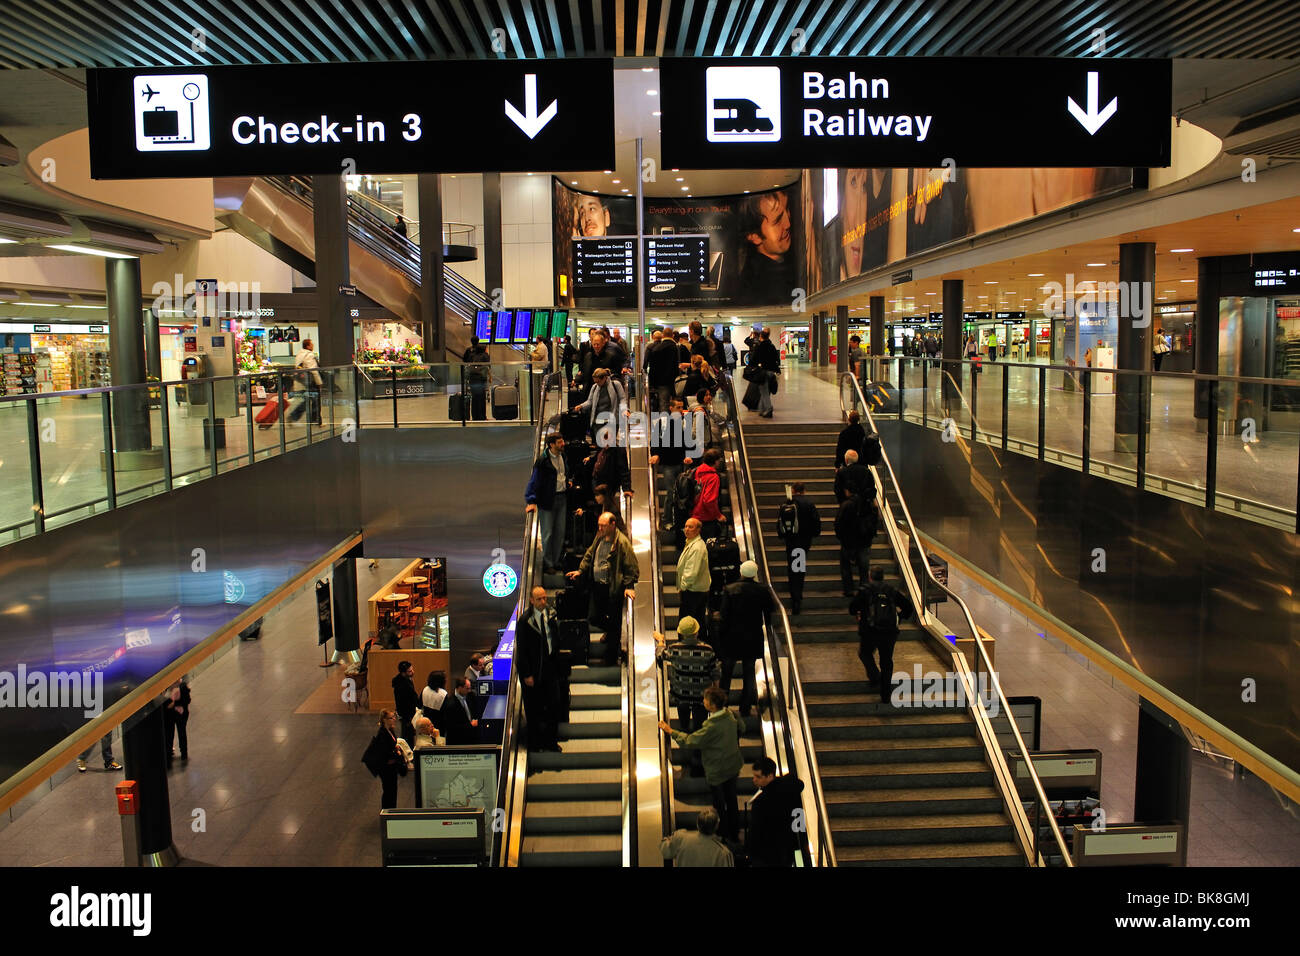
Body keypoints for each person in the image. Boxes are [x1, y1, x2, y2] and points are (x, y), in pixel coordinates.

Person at [659, 686, 743, 841]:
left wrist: (671, 731)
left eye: (705, 699)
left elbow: (691, 741)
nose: (702, 700)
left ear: (711, 705)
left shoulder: (711, 726)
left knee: (719, 803)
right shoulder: (730, 715)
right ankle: (735, 830)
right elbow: (742, 728)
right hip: (733, 764)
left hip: (717, 770)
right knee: (732, 799)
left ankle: (723, 833)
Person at [567, 512, 639, 666]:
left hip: (612, 588)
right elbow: (589, 554)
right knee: (594, 617)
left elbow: (631, 565)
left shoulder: (622, 543)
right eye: (599, 525)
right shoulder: (599, 537)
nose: (600, 528)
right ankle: (612, 632)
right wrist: (581, 570)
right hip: (597, 586)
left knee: (613, 621)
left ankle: (611, 656)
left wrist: (629, 586)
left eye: (603, 525)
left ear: (613, 525)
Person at [717, 561, 773, 719]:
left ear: (741, 572)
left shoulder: (730, 589)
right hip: (753, 637)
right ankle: (745, 708)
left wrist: (720, 636)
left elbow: (724, 615)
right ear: (755, 573)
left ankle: (722, 706)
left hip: (732, 637)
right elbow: (769, 613)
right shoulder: (762, 590)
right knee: (749, 674)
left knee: (726, 673)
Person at [849, 566, 915, 702]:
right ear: (882, 576)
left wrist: (861, 612)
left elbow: (852, 608)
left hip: (870, 631)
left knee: (865, 653)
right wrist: (898, 617)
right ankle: (885, 694)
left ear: (870, 576)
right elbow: (908, 608)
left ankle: (874, 677)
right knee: (886, 662)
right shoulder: (891, 591)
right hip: (889, 632)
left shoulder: (865, 590)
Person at [516, 586, 566, 753]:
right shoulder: (525, 621)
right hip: (534, 672)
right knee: (534, 710)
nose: (543, 601)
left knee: (554, 706)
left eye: (544, 598)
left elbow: (555, 639)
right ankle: (535, 743)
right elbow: (521, 650)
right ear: (531, 600)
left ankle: (551, 741)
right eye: (539, 599)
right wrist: (526, 674)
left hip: (550, 669)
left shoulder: (551, 615)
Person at [525, 432, 573, 574]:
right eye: (559, 442)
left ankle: (556, 561)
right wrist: (531, 500)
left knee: (560, 531)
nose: (563, 443)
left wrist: (568, 481)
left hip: (562, 497)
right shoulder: (542, 461)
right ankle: (548, 563)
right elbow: (534, 481)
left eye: (562, 440)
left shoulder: (562, 456)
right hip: (547, 500)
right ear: (551, 444)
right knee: (548, 533)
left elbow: (564, 473)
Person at [736, 191, 795, 306]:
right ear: (754, 236)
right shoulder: (759, 286)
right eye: (778, 220)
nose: (787, 224)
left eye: (787, 209)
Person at [746, 756, 806, 867]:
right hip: (789, 846)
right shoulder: (791, 788)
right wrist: (800, 840)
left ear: (770, 776)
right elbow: (798, 812)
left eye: (758, 776)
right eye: (754, 775)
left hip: (769, 852)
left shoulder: (760, 802)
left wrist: (750, 853)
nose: (754, 779)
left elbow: (755, 831)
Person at [776, 482, 821, 615]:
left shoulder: (787, 504)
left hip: (791, 541)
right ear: (804, 491)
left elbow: (779, 523)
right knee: (798, 570)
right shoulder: (809, 504)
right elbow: (816, 523)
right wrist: (813, 533)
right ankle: (796, 599)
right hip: (803, 542)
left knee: (793, 568)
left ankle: (794, 595)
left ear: (794, 490)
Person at [650, 398, 693, 528]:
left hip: (681, 463)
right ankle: (667, 520)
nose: (680, 410)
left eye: (682, 407)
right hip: (668, 464)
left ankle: (680, 519)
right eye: (678, 407)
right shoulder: (663, 422)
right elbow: (655, 440)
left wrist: (689, 456)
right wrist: (655, 454)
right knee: (670, 492)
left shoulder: (685, 422)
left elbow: (688, 442)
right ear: (671, 408)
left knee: (682, 493)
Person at [836, 484, 878, 596]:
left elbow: (839, 524)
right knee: (864, 568)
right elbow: (874, 522)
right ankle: (864, 589)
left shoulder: (846, 505)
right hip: (865, 542)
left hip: (848, 542)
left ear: (848, 491)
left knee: (845, 566)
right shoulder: (868, 504)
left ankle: (848, 589)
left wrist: (842, 538)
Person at [676, 517, 713, 641]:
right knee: (698, 620)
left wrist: (682, 587)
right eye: (685, 526)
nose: (686, 529)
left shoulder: (697, 547)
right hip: (696, 590)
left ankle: (685, 646)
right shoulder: (692, 543)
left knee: (688, 623)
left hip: (693, 591)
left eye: (690, 527)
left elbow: (691, 573)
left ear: (698, 530)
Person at [361, 710, 407, 809]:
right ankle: (387, 810)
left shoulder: (390, 730)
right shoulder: (382, 734)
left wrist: (396, 748)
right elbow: (384, 752)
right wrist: (396, 753)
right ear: (384, 720)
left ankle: (392, 808)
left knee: (392, 789)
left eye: (394, 717)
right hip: (386, 768)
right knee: (388, 790)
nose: (394, 719)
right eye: (391, 718)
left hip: (392, 766)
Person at [661, 806, 734, 867]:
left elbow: (665, 851)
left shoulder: (680, 838)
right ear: (716, 826)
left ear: (697, 824)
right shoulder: (723, 853)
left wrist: (666, 839)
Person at [575, 366, 627, 436]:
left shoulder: (616, 384)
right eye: (595, 382)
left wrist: (624, 410)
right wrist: (581, 406)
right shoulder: (595, 387)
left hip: (612, 421)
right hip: (598, 421)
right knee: (600, 443)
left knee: (609, 443)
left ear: (605, 378)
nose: (597, 383)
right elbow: (590, 401)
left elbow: (622, 399)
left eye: (598, 381)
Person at [689, 448, 724, 543]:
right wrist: (718, 515)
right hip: (706, 519)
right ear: (716, 461)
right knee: (707, 550)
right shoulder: (713, 477)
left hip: (693, 515)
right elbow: (709, 500)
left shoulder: (696, 472)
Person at [287, 339, 322, 425]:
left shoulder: (299, 354)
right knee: (315, 400)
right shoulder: (309, 355)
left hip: (301, 381)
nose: (313, 345)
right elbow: (313, 370)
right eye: (311, 344)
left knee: (307, 399)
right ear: (308, 346)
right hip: (310, 381)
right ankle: (314, 420)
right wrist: (319, 382)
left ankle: (295, 416)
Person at [748, 328, 781, 418]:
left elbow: (753, 360)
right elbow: (777, 359)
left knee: (764, 391)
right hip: (771, 372)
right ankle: (762, 409)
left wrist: (752, 367)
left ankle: (769, 409)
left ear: (761, 337)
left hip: (763, 372)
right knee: (765, 391)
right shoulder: (772, 346)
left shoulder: (760, 347)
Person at [645, 329, 680, 411]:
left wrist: (652, 382)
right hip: (675, 381)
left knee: (663, 404)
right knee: (676, 404)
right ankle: (675, 422)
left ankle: (664, 423)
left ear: (663, 336)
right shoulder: (676, 347)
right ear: (672, 335)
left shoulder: (656, 348)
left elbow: (653, 367)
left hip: (661, 381)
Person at [440, 678, 482, 744]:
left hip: (471, 737)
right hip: (458, 740)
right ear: (459, 688)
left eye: (469, 688)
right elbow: (451, 727)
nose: (469, 691)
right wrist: (470, 725)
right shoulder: (450, 704)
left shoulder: (470, 696)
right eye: (467, 688)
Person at [162, 677, 191, 764]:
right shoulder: (167, 687)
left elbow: (187, 700)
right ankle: (168, 753)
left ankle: (184, 753)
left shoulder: (182, 686)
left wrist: (174, 704)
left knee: (181, 732)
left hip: (181, 713)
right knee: (169, 734)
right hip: (170, 714)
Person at [463, 336, 491, 420]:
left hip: (472, 378)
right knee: (482, 398)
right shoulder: (485, 355)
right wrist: (490, 376)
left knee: (474, 398)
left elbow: (464, 360)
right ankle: (482, 416)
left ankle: (475, 416)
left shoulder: (471, 353)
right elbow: (488, 366)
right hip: (482, 378)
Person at [392, 660, 419, 745]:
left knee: (407, 734)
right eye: (410, 671)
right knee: (408, 735)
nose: (412, 672)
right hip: (407, 714)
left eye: (412, 670)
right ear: (403, 673)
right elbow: (405, 701)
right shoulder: (403, 685)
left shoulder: (403, 680)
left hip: (406, 713)